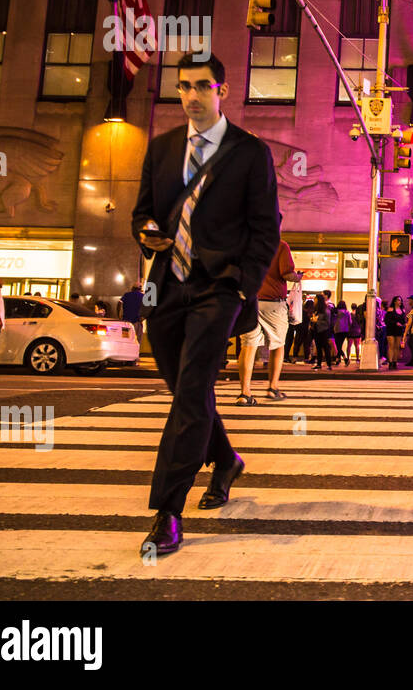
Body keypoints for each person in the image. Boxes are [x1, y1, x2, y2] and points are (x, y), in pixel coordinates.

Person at [132, 52, 280, 558]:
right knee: (184, 390)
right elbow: (143, 213)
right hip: (168, 289)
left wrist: (243, 286)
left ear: (222, 89)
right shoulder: (162, 148)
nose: (191, 96)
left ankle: (168, 511)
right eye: (183, 87)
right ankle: (225, 459)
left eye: (201, 86)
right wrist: (146, 232)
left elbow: (265, 229)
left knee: (192, 390)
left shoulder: (249, 152)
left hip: (218, 290)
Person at [236, 238, 298, 405]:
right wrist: (297, 277)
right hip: (273, 303)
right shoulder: (280, 245)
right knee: (277, 345)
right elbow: (286, 273)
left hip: (249, 301)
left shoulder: (245, 243)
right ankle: (272, 387)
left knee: (248, 344)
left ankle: (245, 393)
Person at [310, 294, 333, 370]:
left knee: (325, 347)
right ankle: (319, 364)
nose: (314, 301)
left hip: (323, 331)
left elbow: (327, 322)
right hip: (316, 330)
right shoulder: (317, 310)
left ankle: (329, 364)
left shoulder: (326, 310)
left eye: (315, 299)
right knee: (318, 347)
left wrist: (317, 321)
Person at [118, 282, 144, 350]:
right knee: (137, 339)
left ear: (132, 288)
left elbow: (119, 303)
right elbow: (148, 307)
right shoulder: (143, 296)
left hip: (126, 322)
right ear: (140, 289)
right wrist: (143, 317)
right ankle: (135, 355)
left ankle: (126, 353)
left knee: (126, 339)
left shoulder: (126, 295)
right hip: (137, 321)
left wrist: (118, 315)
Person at [384, 296, 406, 369]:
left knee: (397, 347)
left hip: (399, 330)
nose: (400, 301)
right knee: (391, 346)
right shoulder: (390, 309)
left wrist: (404, 324)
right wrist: (395, 323)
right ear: (394, 301)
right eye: (398, 300)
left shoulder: (403, 310)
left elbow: (403, 320)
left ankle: (395, 362)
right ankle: (390, 362)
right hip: (391, 329)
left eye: (400, 300)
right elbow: (387, 320)